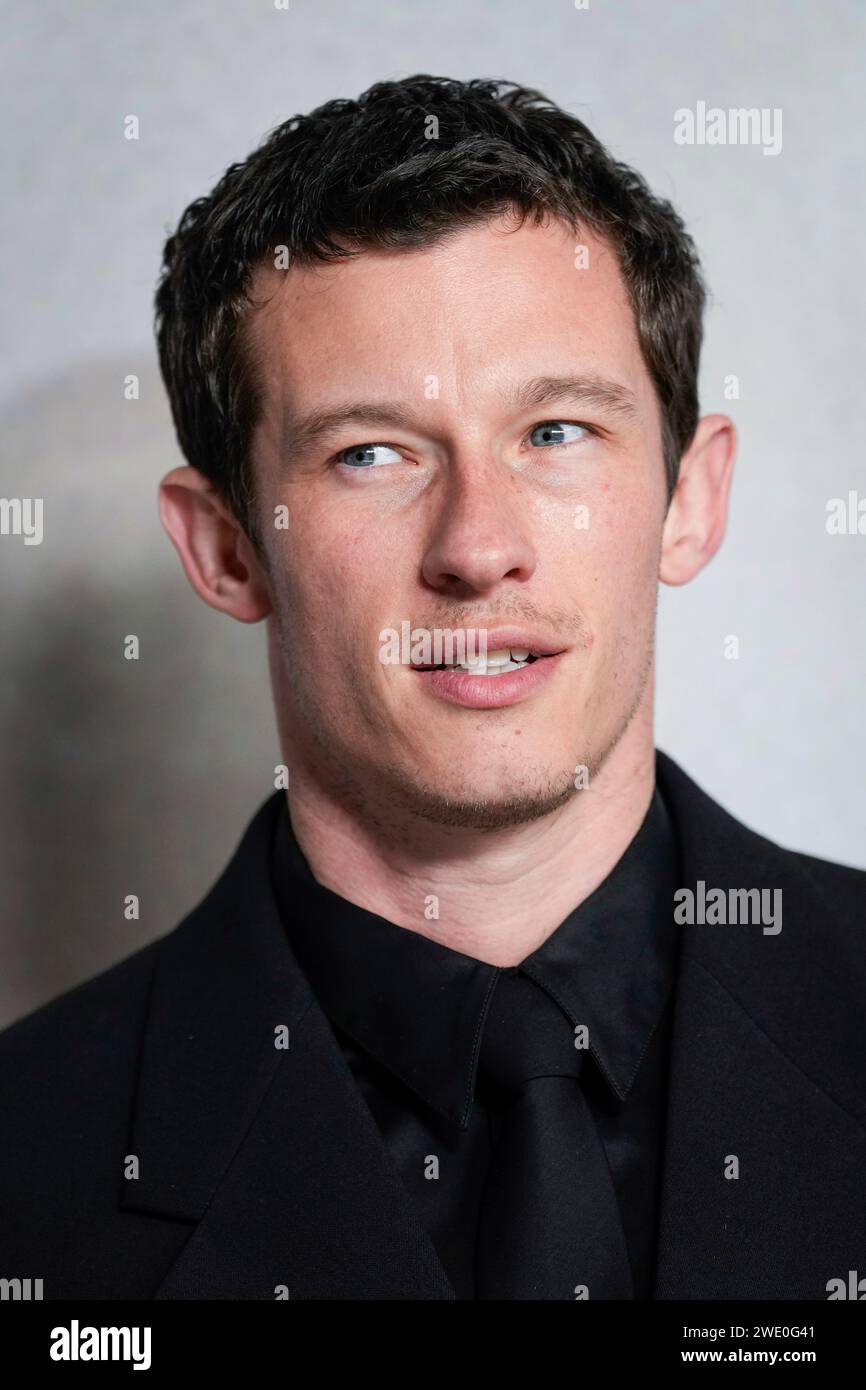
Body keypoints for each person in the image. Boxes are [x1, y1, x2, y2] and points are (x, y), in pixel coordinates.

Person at [1, 75, 864, 1301]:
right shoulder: (26, 1169)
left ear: (689, 500)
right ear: (226, 548)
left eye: (555, 430)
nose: (476, 545)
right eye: (370, 454)